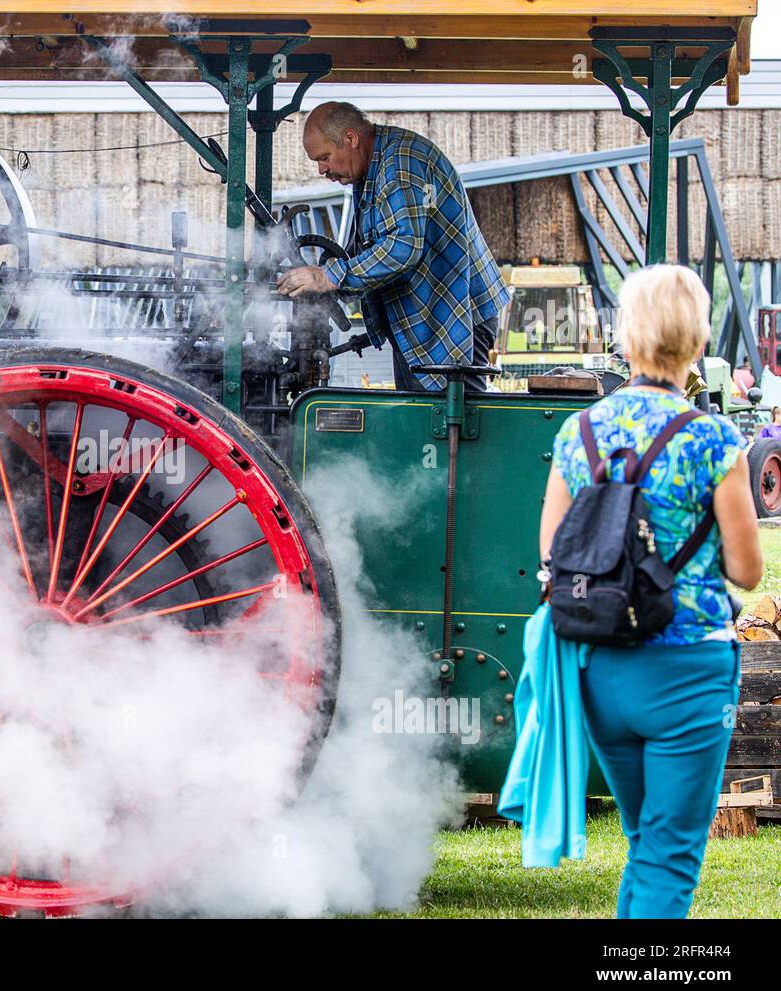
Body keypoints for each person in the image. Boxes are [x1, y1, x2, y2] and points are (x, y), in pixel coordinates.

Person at [539, 263, 762, 918]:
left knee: (647, 844)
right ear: (696, 343)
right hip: (688, 670)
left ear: (627, 340)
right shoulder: (713, 438)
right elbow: (749, 571)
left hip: (601, 670)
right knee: (670, 855)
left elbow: (550, 552)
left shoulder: (577, 434)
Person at [276, 102, 508, 393]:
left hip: (453, 312)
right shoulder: (375, 167)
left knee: (446, 423)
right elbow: (373, 245)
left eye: (325, 158)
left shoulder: (401, 164)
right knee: (420, 421)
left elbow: (403, 246)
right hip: (425, 316)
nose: (322, 169)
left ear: (351, 138)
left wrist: (327, 277)